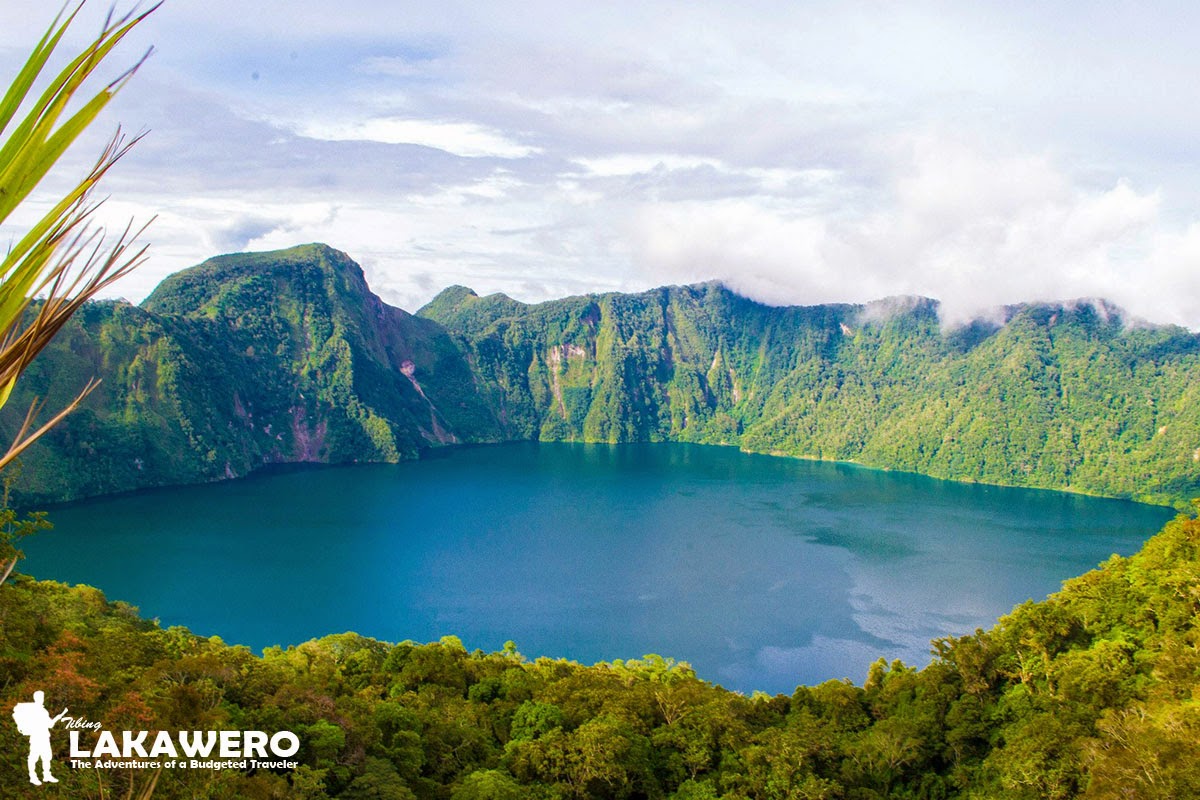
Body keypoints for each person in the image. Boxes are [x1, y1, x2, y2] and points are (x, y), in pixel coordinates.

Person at [11, 691, 68, 785]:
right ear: (35, 698)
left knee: (47, 757)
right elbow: (47, 724)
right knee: (34, 757)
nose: (41, 699)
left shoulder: (43, 711)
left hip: (44, 736)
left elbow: (49, 725)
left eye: (42, 697)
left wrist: (58, 717)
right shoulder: (34, 711)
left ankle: (46, 775)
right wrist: (58, 717)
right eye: (40, 697)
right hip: (36, 737)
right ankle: (33, 777)